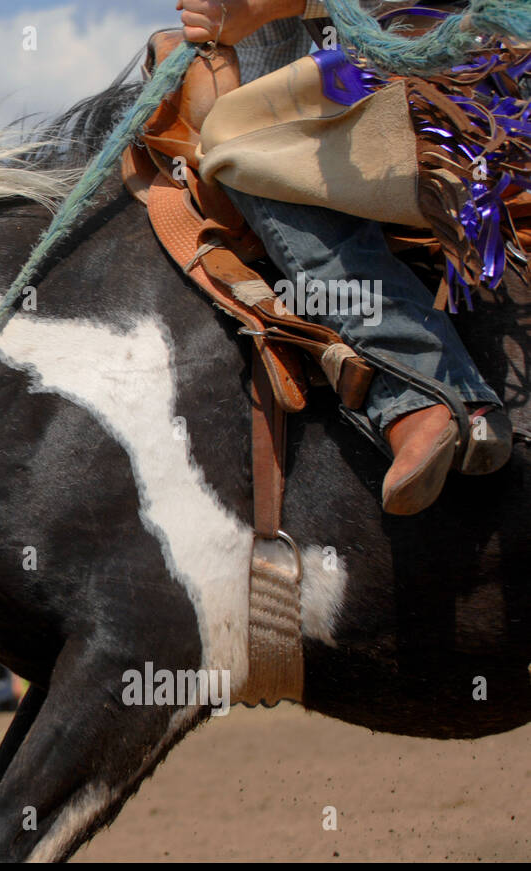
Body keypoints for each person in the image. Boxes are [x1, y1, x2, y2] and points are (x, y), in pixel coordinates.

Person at [177, 0, 513, 514]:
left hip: (484, 64)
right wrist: (229, 33)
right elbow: (270, 61)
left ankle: (418, 385)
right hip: (434, 65)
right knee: (256, 119)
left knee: (240, 137)